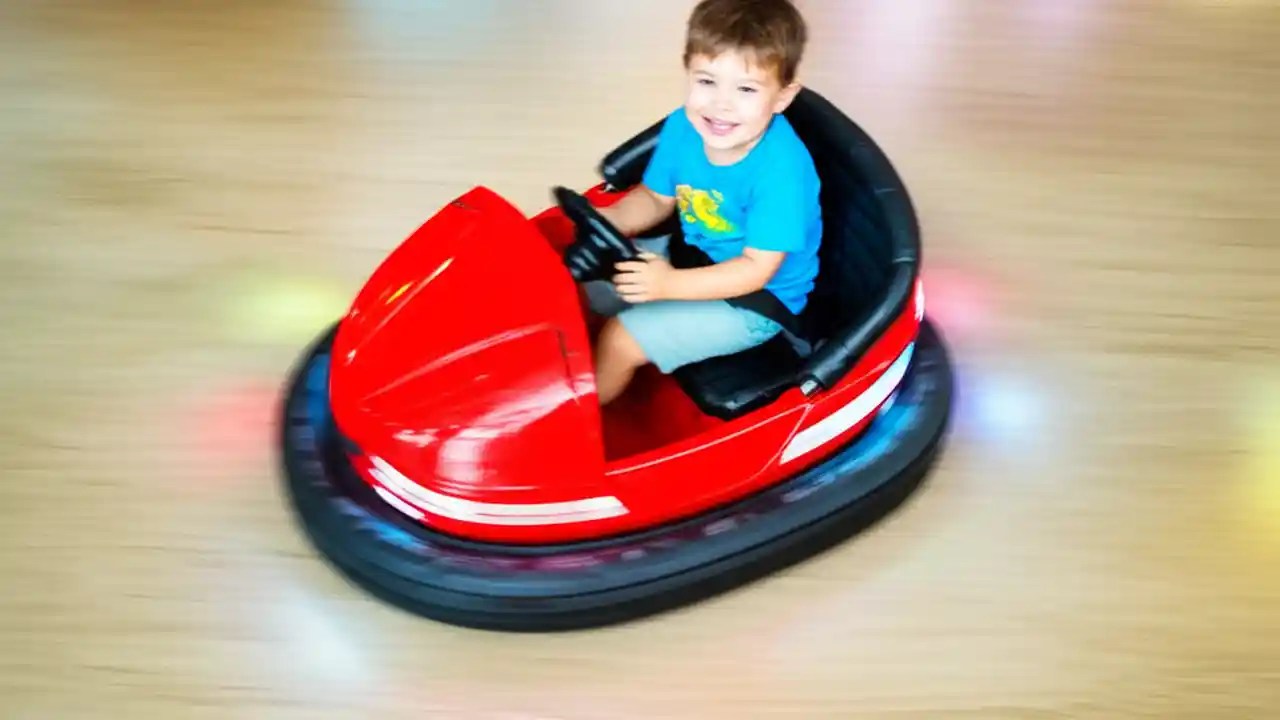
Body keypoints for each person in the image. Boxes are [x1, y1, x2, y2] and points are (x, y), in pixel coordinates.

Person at [588, 0, 823, 406]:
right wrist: (609, 219)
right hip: (694, 256)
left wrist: (668, 284)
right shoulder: (684, 126)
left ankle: (577, 427)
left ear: (783, 98)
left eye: (746, 89)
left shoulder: (782, 173)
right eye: (706, 81)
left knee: (620, 339)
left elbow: (755, 271)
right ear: (687, 71)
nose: (721, 104)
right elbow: (653, 199)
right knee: (586, 284)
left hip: (754, 302)